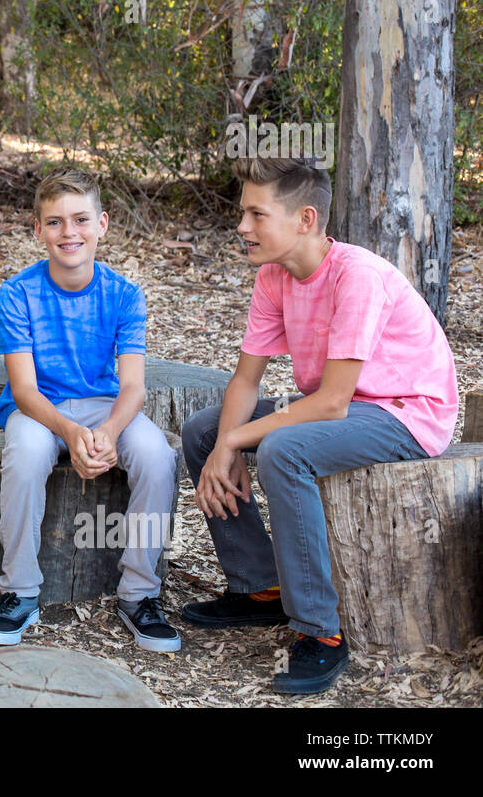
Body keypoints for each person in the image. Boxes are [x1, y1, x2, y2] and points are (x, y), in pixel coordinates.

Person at [181, 155, 458, 694]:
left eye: (257, 215)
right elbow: (245, 382)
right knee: (202, 430)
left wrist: (240, 441)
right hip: (348, 406)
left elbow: (331, 402)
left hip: (407, 412)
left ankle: (319, 632)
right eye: (244, 214)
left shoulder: (358, 276)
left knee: (284, 449)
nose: (242, 227)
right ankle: (258, 588)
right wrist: (224, 443)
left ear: (305, 219)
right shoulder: (274, 276)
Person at [0, 166, 180, 651]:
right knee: (24, 453)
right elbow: (24, 389)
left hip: (104, 404)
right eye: (55, 222)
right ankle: (20, 591)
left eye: (81, 219)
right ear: (38, 230)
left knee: (156, 455)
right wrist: (70, 433)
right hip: (41, 409)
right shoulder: (18, 293)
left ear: (102, 224)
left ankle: (139, 593)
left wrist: (108, 432)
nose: (69, 233)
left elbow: (133, 387)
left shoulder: (126, 295)